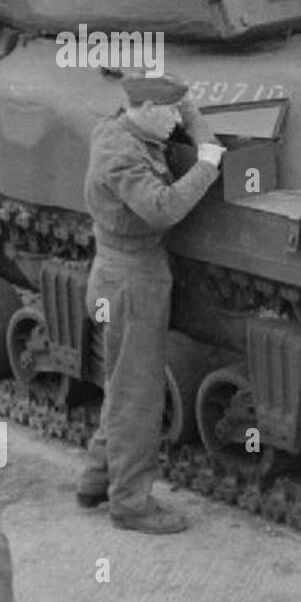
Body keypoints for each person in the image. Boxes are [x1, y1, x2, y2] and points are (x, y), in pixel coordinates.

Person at [78, 74, 225, 532]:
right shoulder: (120, 152)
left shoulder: (127, 125)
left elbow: (184, 122)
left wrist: (189, 108)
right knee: (138, 397)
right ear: (143, 107)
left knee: (122, 385)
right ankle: (130, 504)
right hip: (131, 281)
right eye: (170, 115)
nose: (177, 123)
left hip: (128, 272)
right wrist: (206, 166)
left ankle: (96, 479)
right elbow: (162, 208)